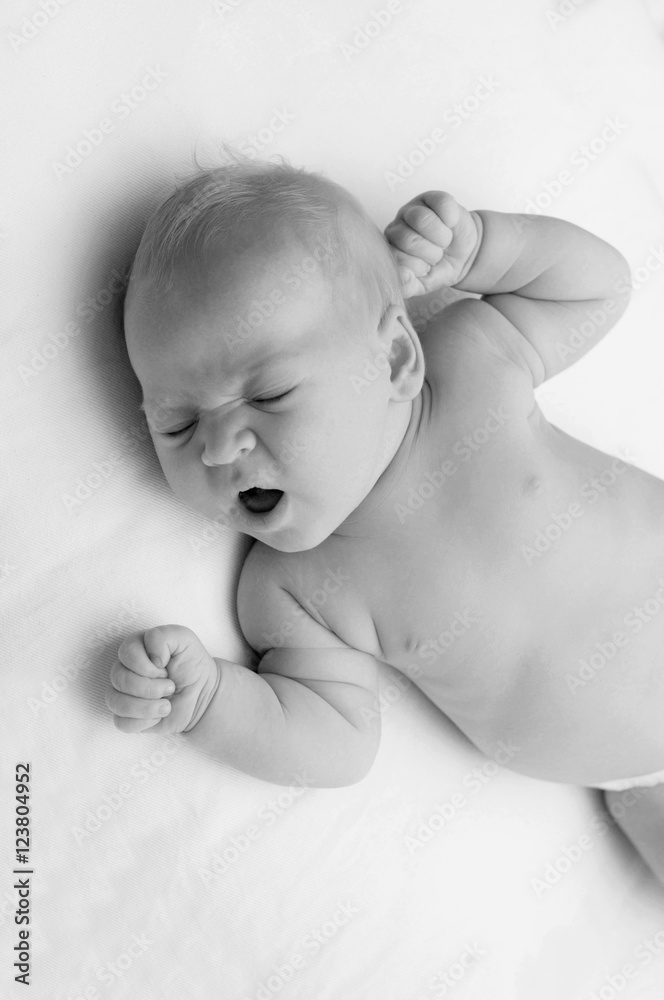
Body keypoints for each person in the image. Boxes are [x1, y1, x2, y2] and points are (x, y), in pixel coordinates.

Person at [105, 152, 664, 884]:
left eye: (268, 394)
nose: (218, 446)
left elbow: (596, 289)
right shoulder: (291, 589)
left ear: (397, 356)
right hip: (639, 777)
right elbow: (335, 740)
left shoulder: (466, 368)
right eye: (175, 424)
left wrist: (482, 249)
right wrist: (211, 702)